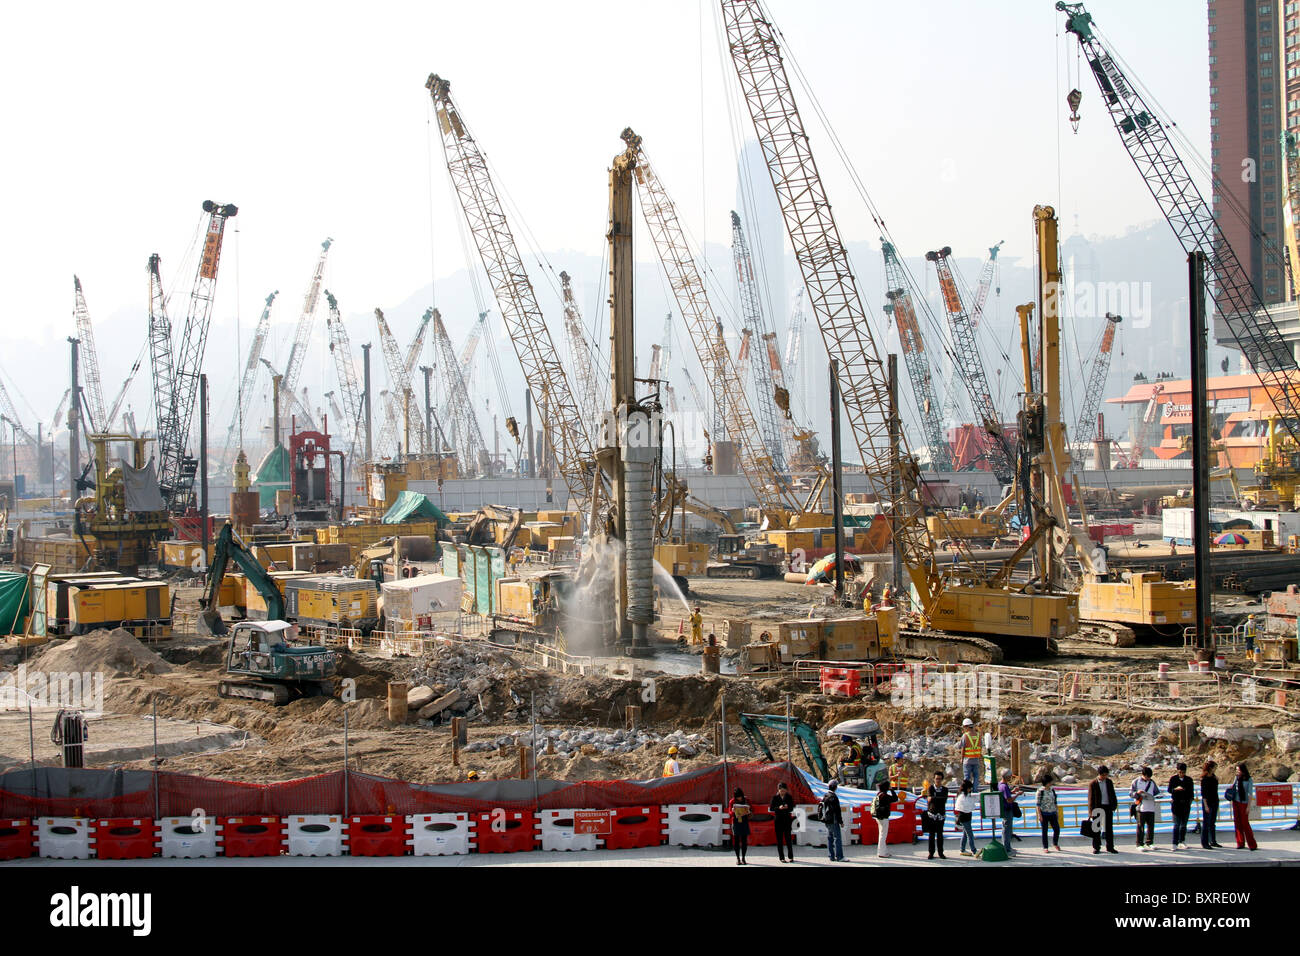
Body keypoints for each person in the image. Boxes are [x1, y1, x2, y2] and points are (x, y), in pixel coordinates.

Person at [1088, 765, 1119, 854]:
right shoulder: (1093, 783)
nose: (1105, 777)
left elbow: (1113, 794)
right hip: (1097, 808)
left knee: (1109, 828)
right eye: (1104, 775)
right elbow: (1090, 799)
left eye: (1106, 775)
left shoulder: (1109, 782)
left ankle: (1110, 847)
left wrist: (1114, 805)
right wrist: (1091, 811)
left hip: (1108, 807)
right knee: (1096, 829)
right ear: (1100, 774)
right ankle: (1096, 847)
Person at [1130, 766, 1160, 850]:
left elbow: (1156, 792)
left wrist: (1157, 796)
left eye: (1150, 777)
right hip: (1141, 807)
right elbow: (1131, 793)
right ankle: (1139, 843)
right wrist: (1137, 793)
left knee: (1151, 826)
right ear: (1143, 775)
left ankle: (1150, 842)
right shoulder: (1136, 782)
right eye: (1147, 777)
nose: (1148, 778)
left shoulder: (1152, 782)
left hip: (1151, 806)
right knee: (1140, 826)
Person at [1229, 763, 1258, 851]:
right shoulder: (1236, 778)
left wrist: (1248, 806)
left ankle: (1252, 844)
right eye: (1236, 770)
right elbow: (1233, 787)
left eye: (1239, 770)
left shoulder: (1248, 779)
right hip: (1236, 801)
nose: (1237, 771)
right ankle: (1240, 842)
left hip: (1244, 802)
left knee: (1245, 823)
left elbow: (1250, 793)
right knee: (1237, 822)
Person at [1167, 762, 1195, 850]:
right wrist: (1175, 789)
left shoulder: (1189, 780)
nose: (1182, 774)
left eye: (1183, 772)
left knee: (1183, 825)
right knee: (1176, 824)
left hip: (1186, 804)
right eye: (1180, 772)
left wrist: (1189, 802)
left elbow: (1191, 793)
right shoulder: (1173, 779)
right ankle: (1174, 843)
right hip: (1176, 804)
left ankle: (1181, 841)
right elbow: (1169, 790)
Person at [924, 770, 949, 860]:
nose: (938, 780)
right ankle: (931, 852)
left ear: (942, 779)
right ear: (934, 779)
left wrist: (935, 798)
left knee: (940, 835)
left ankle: (941, 852)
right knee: (931, 835)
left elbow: (944, 800)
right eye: (936, 779)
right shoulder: (930, 788)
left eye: (939, 779)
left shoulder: (945, 789)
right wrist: (937, 799)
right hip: (932, 815)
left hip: (941, 815)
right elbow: (929, 799)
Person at [770, 781, 797, 862]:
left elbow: (792, 808)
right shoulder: (775, 797)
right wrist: (779, 807)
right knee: (779, 839)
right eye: (781, 790)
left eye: (784, 790)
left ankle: (791, 856)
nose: (783, 792)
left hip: (787, 819)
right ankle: (781, 857)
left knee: (788, 838)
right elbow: (771, 808)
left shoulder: (789, 797)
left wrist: (787, 807)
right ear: (778, 790)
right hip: (778, 820)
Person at [998, 770, 1023, 854]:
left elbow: (1006, 794)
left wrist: (1013, 791)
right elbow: (1009, 800)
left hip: (1005, 809)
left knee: (1006, 829)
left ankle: (1007, 847)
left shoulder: (1001, 785)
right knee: (1007, 830)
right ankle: (1007, 849)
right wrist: (1017, 795)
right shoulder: (1004, 786)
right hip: (1007, 809)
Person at [871, 778, 896, 858]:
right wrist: (892, 790)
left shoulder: (878, 794)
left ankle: (882, 851)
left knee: (881, 834)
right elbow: (895, 798)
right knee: (883, 835)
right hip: (884, 817)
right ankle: (882, 853)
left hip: (878, 817)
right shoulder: (885, 796)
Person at [1200, 760, 1223, 849]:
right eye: (1214, 768)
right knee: (1206, 822)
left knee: (1212, 822)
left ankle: (1213, 840)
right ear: (1210, 768)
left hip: (1214, 800)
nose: (1215, 770)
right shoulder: (1204, 779)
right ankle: (1204, 842)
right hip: (1207, 802)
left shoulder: (1214, 778)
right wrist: (1205, 805)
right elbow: (1203, 794)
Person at [821, 781, 845, 862]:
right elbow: (837, 810)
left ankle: (831, 856)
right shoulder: (833, 797)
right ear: (835, 787)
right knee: (837, 838)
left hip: (827, 820)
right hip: (834, 820)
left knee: (830, 838)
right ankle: (840, 856)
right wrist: (841, 821)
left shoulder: (825, 796)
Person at [1037, 773, 1061, 853]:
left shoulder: (1052, 790)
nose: (1051, 783)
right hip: (1044, 813)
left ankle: (1055, 843)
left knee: (1057, 829)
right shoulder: (1040, 791)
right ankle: (1045, 847)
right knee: (1045, 831)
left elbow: (1055, 802)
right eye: (1050, 782)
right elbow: (1038, 804)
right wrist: (1039, 815)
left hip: (1052, 812)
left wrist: (1057, 811)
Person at [954, 778, 979, 857]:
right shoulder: (962, 797)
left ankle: (962, 849)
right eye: (969, 788)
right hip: (964, 817)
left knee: (965, 834)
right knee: (970, 835)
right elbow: (968, 806)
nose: (970, 789)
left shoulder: (965, 795)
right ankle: (974, 851)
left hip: (966, 816)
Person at [729, 787, 751, 865]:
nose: (739, 798)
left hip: (744, 821)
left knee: (744, 841)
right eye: (738, 797)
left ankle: (743, 858)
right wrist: (733, 811)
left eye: (740, 796)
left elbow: (751, 809)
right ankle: (738, 858)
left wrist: (748, 811)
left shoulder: (746, 800)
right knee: (736, 840)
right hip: (736, 821)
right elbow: (730, 813)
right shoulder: (732, 801)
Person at [960, 718, 982, 788]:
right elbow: (980, 747)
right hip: (976, 760)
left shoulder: (965, 736)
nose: (964, 729)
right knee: (976, 777)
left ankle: (966, 792)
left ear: (966, 726)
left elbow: (963, 748)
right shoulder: (978, 735)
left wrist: (962, 758)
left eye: (964, 727)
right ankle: (975, 791)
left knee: (967, 777)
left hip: (967, 760)